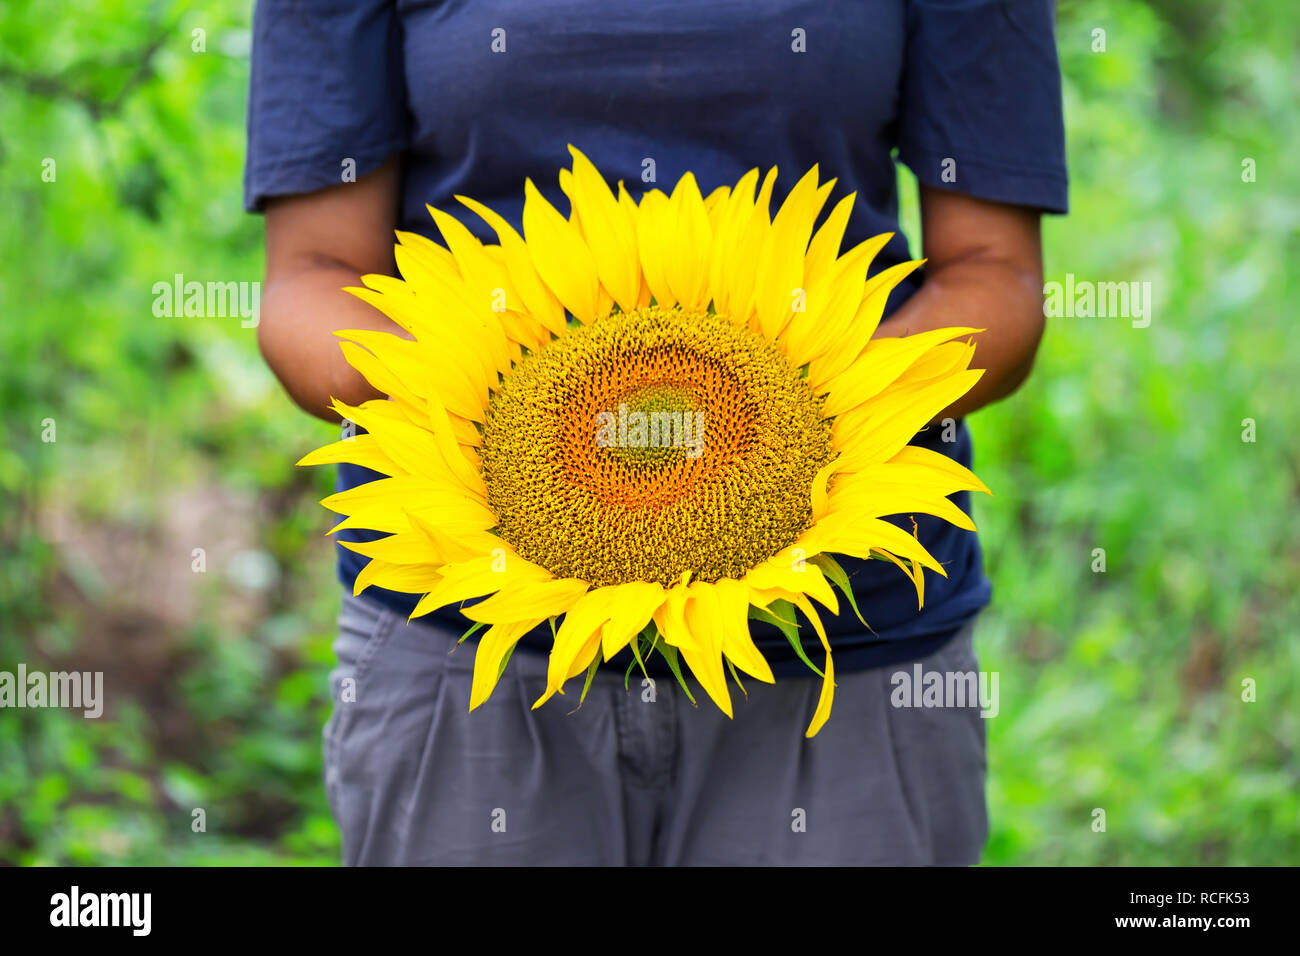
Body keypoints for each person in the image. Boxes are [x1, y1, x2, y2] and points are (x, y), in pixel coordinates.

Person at [245, 0, 1066, 865]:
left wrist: (819, 414)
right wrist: (504, 403)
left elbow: (995, 274)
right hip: (470, 623)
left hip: (842, 632)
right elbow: (312, 275)